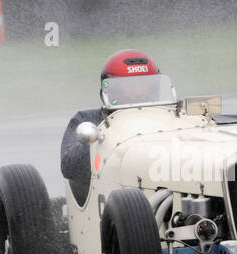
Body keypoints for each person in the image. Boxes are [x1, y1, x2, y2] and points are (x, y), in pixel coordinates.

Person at [60, 50, 167, 204]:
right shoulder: (87, 120)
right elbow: (69, 168)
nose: (139, 92)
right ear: (111, 89)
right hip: (107, 200)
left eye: (145, 85)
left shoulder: (170, 119)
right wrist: (98, 140)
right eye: (131, 86)